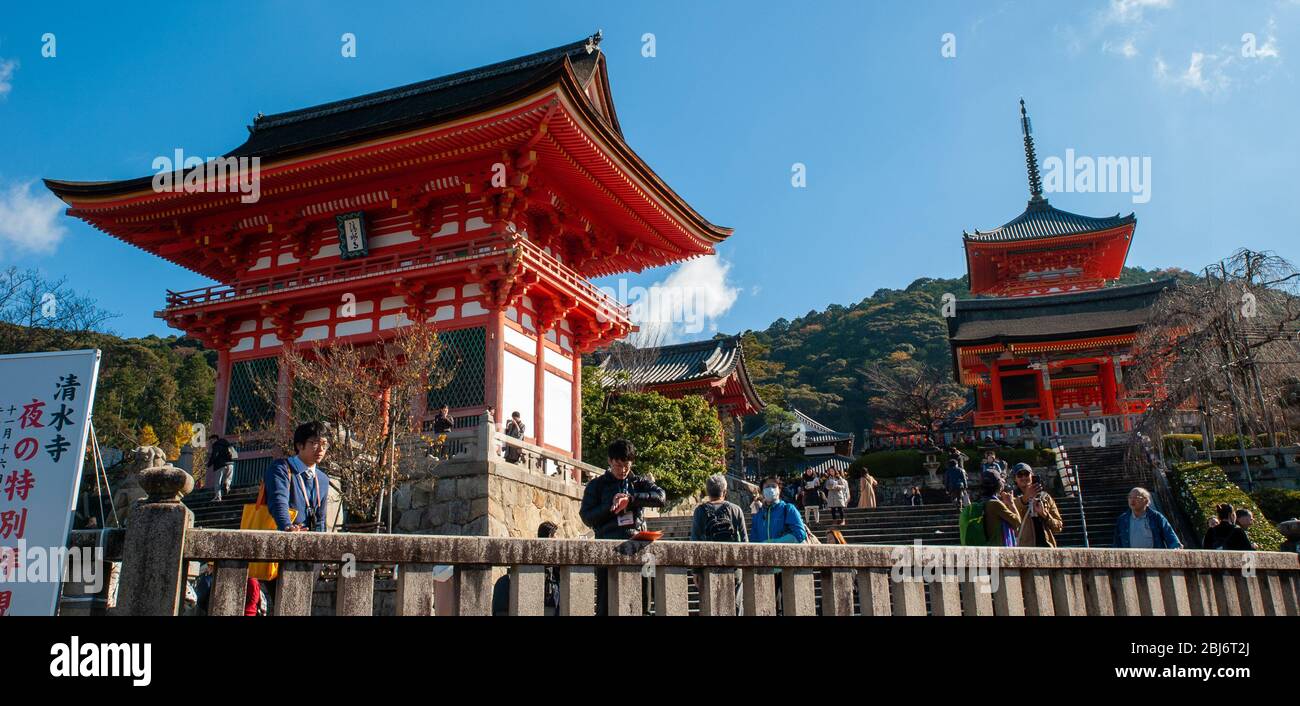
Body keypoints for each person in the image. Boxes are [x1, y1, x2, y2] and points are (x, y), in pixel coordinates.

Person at [579, 439, 665, 615]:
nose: (623, 470)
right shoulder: (597, 485)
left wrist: (631, 500)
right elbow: (586, 517)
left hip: (639, 543)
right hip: (609, 544)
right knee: (605, 601)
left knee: (645, 598)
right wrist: (611, 508)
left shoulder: (639, 481)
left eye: (627, 465)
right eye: (618, 465)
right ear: (610, 461)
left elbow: (661, 497)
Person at [265, 421, 330, 533]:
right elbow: (278, 500)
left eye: (324, 444)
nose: (321, 449)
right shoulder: (281, 468)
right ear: (299, 445)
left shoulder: (323, 479)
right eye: (315, 443)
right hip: (283, 534)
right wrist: (286, 526)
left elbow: (321, 518)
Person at [492, 521, 561, 615]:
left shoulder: (557, 568)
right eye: (556, 537)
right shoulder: (506, 581)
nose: (558, 541)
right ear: (550, 536)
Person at [1011, 463, 1063, 547]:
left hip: (1046, 546)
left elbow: (1058, 527)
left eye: (1026, 474)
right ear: (1015, 479)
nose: (1024, 477)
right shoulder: (1011, 498)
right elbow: (1010, 512)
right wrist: (1024, 499)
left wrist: (1045, 514)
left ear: (1032, 476)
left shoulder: (1045, 497)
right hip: (1023, 548)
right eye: (1020, 475)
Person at [1113, 487, 1182, 549]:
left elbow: (1169, 534)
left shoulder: (1156, 517)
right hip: (1130, 560)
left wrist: (1175, 546)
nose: (1132, 500)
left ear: (1146, 501)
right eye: (1130, 497)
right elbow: (1117, 542)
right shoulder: (1122, 519)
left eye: (1136, 497)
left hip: (1154, 558)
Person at [690, 474, 750, 543]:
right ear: (724, 492)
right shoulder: (736, 510)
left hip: (708, 552)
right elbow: (744, 539)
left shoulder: (700, 510)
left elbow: (694, 539)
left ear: (707, 492)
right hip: (731, 552)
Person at [751, 477, 808, 543]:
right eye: (767, 486)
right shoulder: (758, 514)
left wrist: (774, 542)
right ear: (762, 492)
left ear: (779, 490)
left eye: (773, 486)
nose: (770, 489)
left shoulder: (788, 509)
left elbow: (800, 534)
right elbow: (753, 540)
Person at [977, 470, 1022, 547]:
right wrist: (1011, 503)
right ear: (998, 485)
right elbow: (1017, 522)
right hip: (998, 551)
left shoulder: (979, 503)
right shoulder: (995, 504)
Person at [207, 434, 237, 502]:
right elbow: (235, 454)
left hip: (220, 465)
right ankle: (227, 485)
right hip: (230, 464)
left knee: (218, 482)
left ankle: (218, 497)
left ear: (215, 439)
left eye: (211, 441)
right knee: (228, 479)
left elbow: (214, 455)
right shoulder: (227, 444)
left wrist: (209, 464)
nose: (211, 442)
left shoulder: (216, 445)